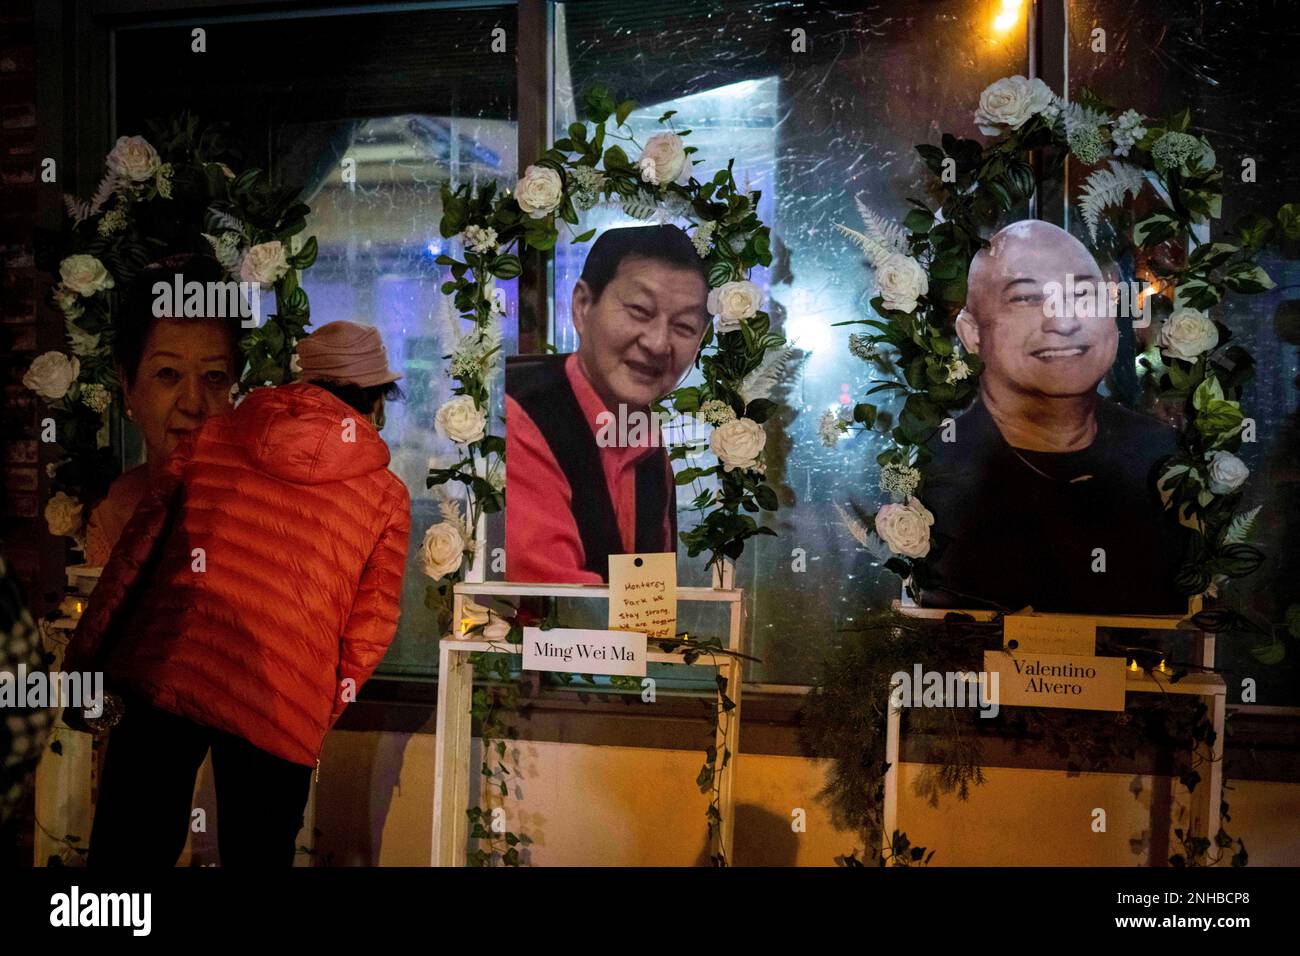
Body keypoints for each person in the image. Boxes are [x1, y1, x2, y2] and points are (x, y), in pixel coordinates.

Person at [64, 320, 411, 866]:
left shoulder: (215, 437)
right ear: (375, 400)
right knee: (258, 856)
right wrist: (312, 709)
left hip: (169, 667)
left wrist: (85, 660)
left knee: (128, 855)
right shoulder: (386, 495)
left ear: (304, 382)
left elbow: (136, 557)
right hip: (279, 696)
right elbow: (369, 632)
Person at [918, 220, 1187, 614]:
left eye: (1081, 295)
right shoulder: (942, 465)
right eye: (1026, 298)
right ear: (971, 332)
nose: (1063, 321)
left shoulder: (1159, 453)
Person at [506, 225, 709, 583]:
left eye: (684, 326)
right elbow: (560, 606)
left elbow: (652, 599)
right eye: (640, 310)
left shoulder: (647, 438)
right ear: (583, 306)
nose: (659, 343)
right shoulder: (522, 417)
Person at [85, 254, 243, 567]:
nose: (193, 404)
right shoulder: (114, 515)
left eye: (214, 376)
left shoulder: (268, 512)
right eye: (168, 373)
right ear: (128, 385)